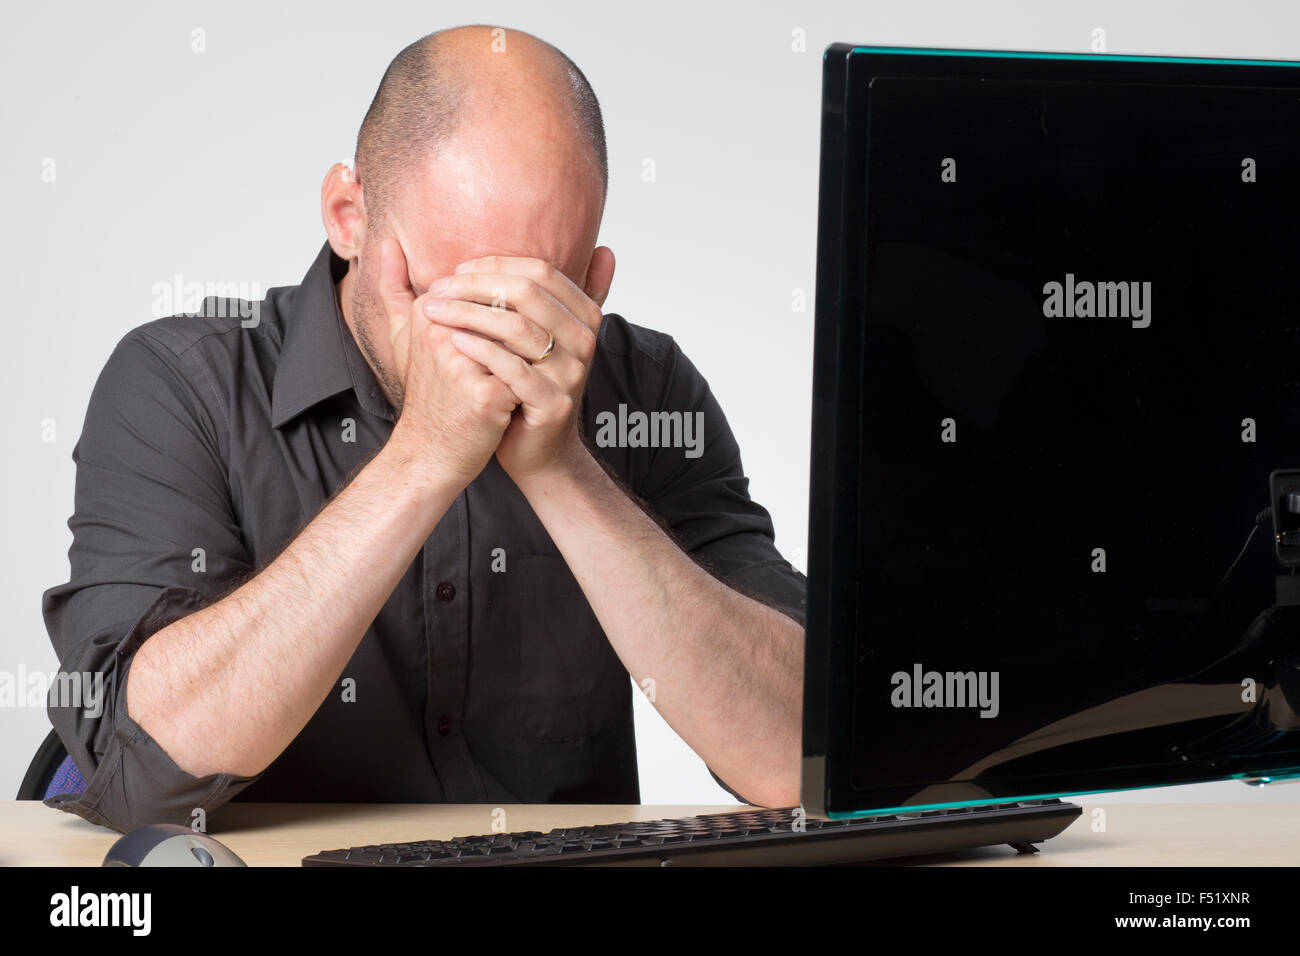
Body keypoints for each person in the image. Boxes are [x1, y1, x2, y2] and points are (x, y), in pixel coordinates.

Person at [42, 24, 806, 833]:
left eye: (535, 302)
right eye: (451, 296)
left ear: (595, 277)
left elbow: (795, 756)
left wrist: (562, 471)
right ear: (349, 216)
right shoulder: (181, 385)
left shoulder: (647, 396)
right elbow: (139, 776)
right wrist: (422, 459)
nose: (494, 348)